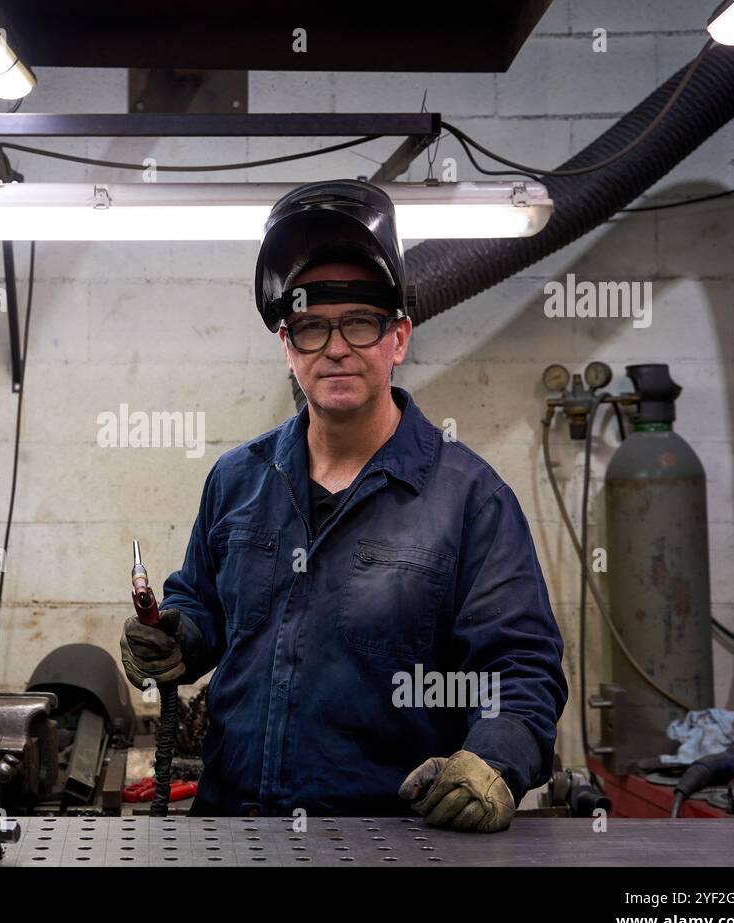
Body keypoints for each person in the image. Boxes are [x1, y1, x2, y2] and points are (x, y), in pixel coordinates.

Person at [121, 180, 568, 831]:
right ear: (286, 345)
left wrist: (495, 760)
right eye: (309, 327)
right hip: (234, 829)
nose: (335, 347)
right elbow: (203, 605)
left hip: (391, 841)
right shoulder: (237, 479)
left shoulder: (471, 499)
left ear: (399, 337)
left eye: (360, 321)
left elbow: (521, 671)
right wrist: (175, 636)